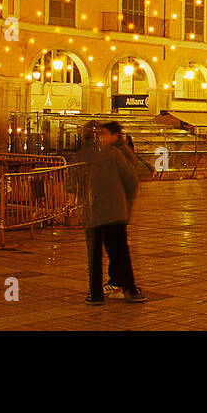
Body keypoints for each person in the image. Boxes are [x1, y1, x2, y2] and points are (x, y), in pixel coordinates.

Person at [83, 121, 145, 304]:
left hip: (110, 211)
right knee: (115, 251)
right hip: (110, 211)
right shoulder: (107, 152)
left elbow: (130, 181)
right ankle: (122, 286)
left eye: (104, 134)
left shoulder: (114, 153)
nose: (101, 138)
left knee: (112, 252)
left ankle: (119, 288)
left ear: (114, 135)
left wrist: (122, 206)